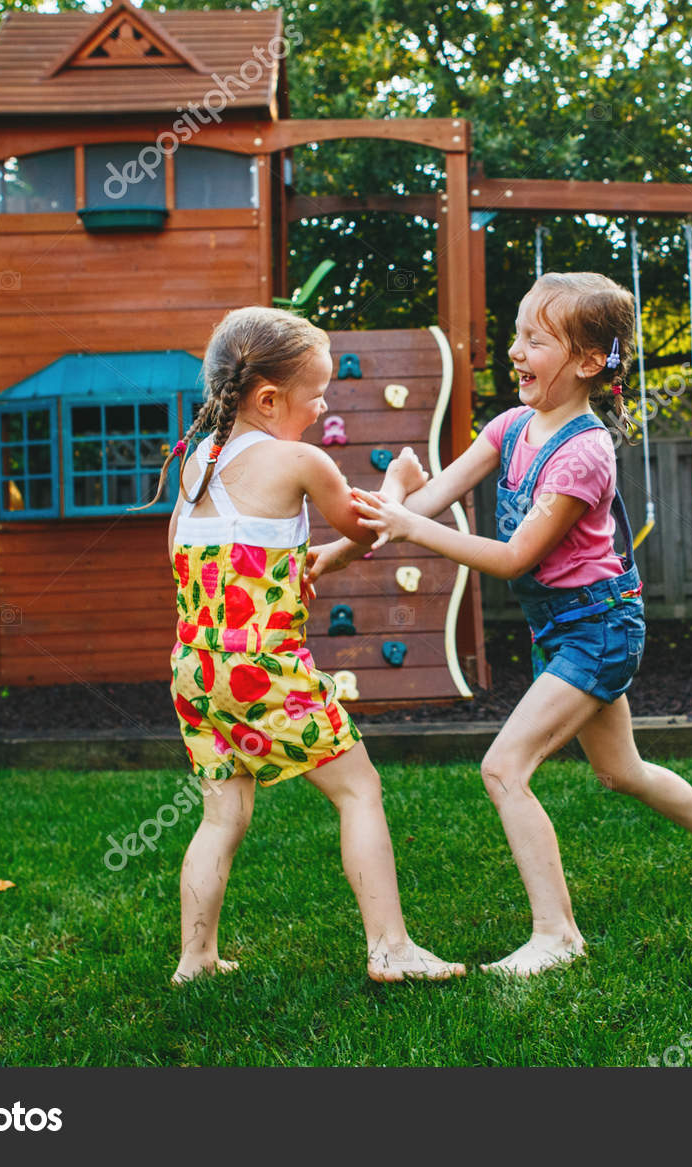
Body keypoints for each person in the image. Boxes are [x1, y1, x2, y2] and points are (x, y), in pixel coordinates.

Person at [342, 273, 692, 977]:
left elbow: (511, 558)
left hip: (598, 626)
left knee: (504, 768)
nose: (515, 351)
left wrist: (408, 517)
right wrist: (394, 494)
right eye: (517, 335)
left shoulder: (583, 452)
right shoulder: (510, 427)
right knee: (619, 769)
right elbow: (437, 495)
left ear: (590, 361)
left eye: (536, 339)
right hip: (563, 628)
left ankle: (557, 933)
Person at [142, 305, 464, 985]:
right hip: (263, 669)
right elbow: (371, 527)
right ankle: (391, 947)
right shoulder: (300, 461)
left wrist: (297, 569)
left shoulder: (196, 462)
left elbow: (215, 557)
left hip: (197, 669)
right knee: (359, 789)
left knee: (222, 813)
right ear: (267, 398)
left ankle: (194, 959)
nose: (321, 408)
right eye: (315, 394)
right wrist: (401, 486)